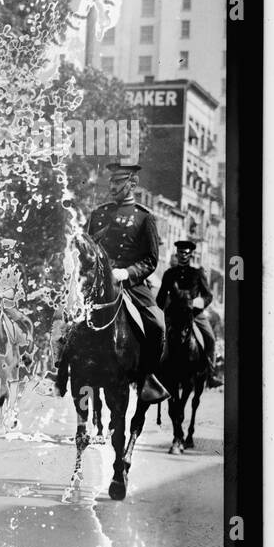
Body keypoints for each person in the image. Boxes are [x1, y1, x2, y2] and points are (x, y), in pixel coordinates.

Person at [83, 161, 169, 403]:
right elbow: (87, 249)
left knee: (158, 324)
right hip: (98, 283)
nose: (112, 185)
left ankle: (148, 377)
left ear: (132, 184)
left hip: (132, 285)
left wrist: (127, 272)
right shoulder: (99, 214)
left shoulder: (144, 218)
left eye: (118, 181)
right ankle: (59, 369)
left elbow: (151, 260)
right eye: (111, 181)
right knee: (66, 317)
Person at [156, 238, 220, 387]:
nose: (183, 255)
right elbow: (160, 298)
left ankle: (210, 373)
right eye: (180, 253)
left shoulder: (197, 273)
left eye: (186, 253)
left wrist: (201, 302)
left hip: (194, 315)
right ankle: (151, 373)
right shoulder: (169, 274)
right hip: (172, 316)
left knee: (209, 337)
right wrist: (162, 311)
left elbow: (208, 295)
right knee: (156, 336)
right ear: (176, 254)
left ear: (191, 254)